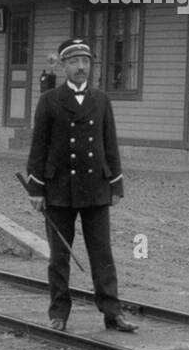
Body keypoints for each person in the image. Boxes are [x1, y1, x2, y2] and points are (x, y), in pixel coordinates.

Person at [25, 37, 137, 333]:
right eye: (74, 62)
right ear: (64, 66)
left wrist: (116, 183)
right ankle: (58, 313)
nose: (80, 67)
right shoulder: (49, 100)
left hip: (95, 187)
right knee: (59, 256)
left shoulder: (101, 100)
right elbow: (38, 146)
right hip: (58, 189)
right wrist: (36, 188)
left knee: (102, 254)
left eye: (85, 62)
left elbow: (109, 143)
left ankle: (112, 313)